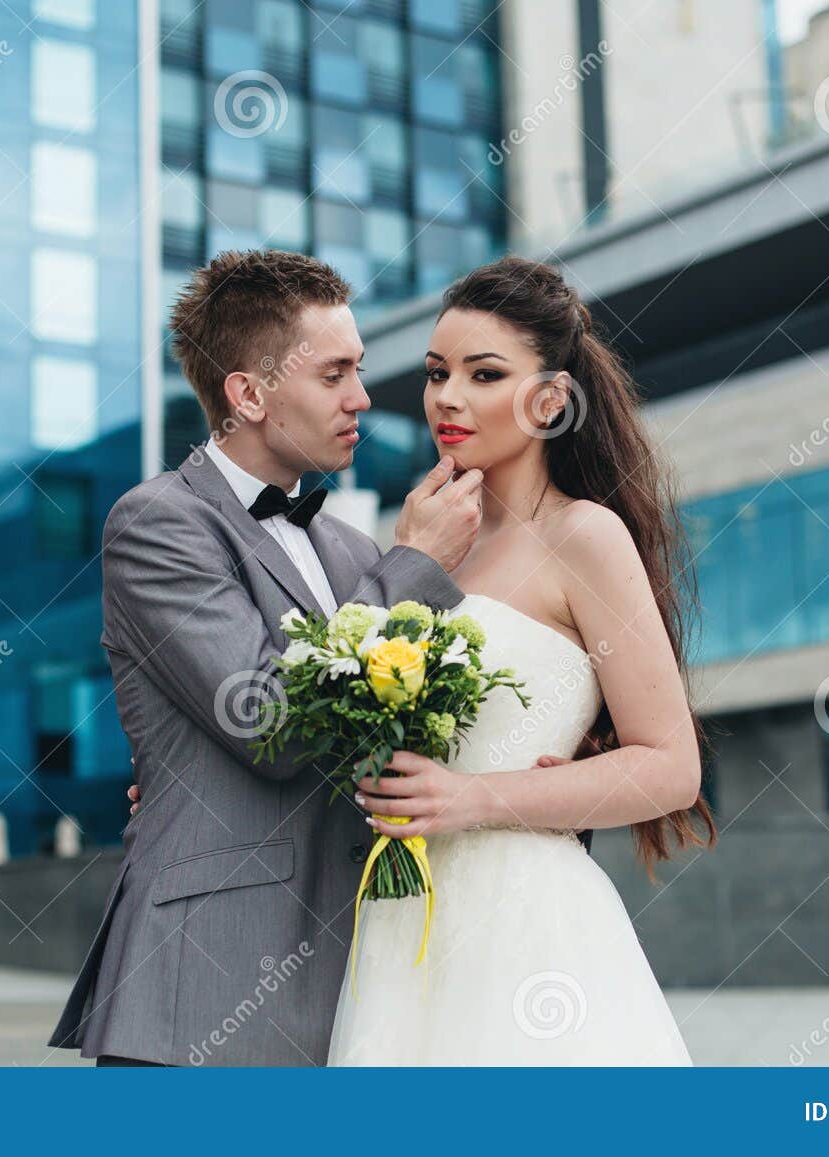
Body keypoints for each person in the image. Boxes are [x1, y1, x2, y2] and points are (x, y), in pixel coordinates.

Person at [48, 249, 482, 1066]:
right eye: (335, 374)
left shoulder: (356, 550)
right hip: (207, 986)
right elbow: (269, 720)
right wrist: (417, 567)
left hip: (361, 985)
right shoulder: (156, 523)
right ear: (248, 394)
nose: (361, 397)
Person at [323, 255, 716, 1064]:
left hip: (525, 924)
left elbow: (673, 766)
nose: (448, 397)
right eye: (437, 373)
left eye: (483, 373)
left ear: (549, 399)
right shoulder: (422, 540)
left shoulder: (585, 536)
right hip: (401, 918)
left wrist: (475, 796)